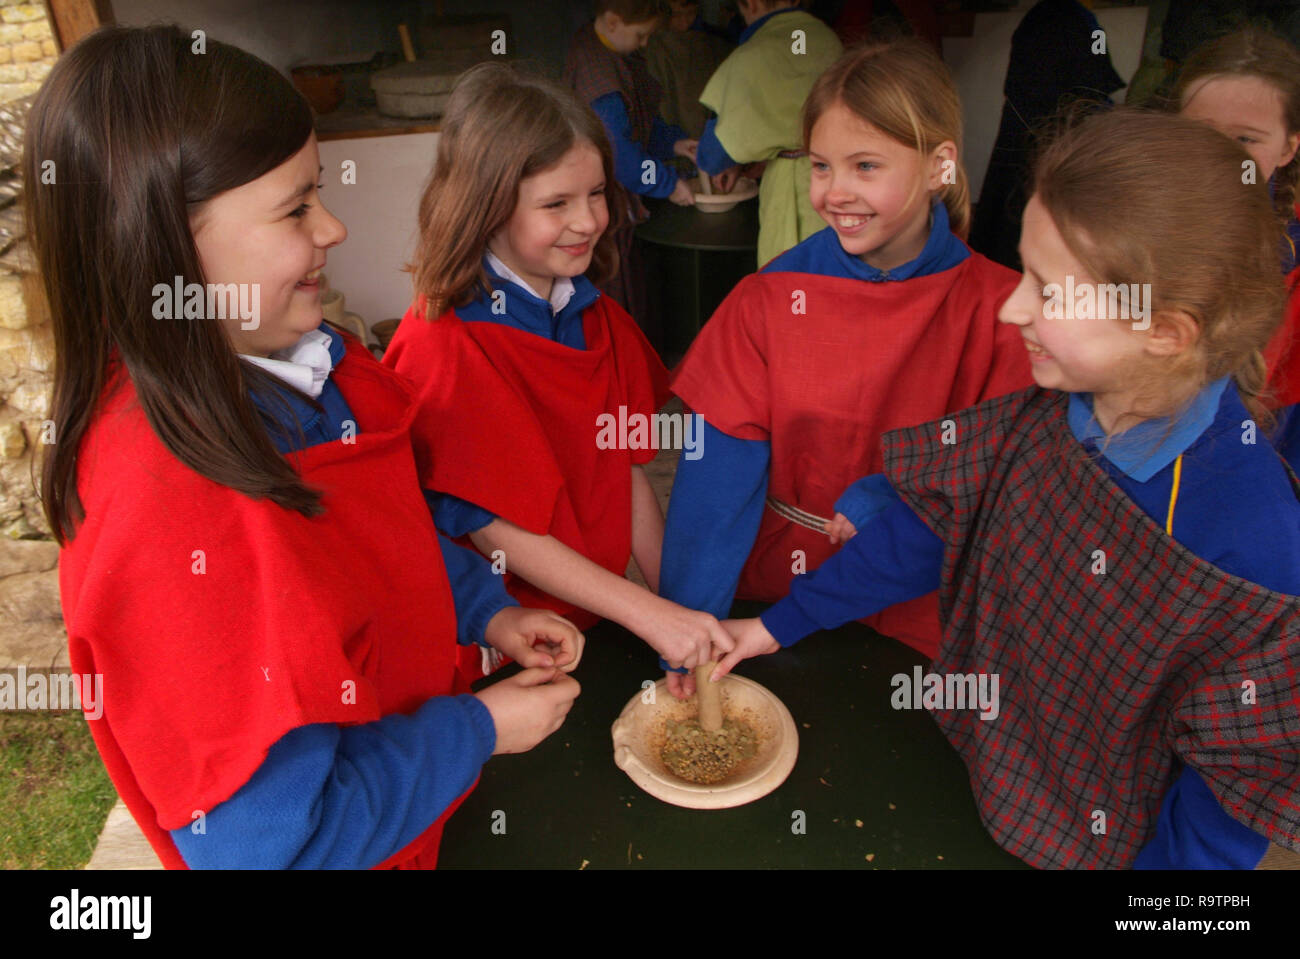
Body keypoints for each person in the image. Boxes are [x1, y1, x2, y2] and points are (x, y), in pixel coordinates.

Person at [36, 26, 582, 869]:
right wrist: (477, 729)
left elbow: (375, 539)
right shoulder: (174, 514)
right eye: (295, 208)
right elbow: (274, 849)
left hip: (419, 810)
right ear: (164, 245)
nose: (333, 228)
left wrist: (487, 608)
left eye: (319, 192)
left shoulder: (290, 362)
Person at [717, 109, 1300, 869]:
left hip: (1094, 844)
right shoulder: (1049, 410)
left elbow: (1225, 806)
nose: (1012, 307)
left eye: (1050, 294)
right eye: (1023, 272)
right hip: (976, 758)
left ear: (1166, 331)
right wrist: (772, 628)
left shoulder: (1258, 551)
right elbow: (925, 528)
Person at [659, 38, 1033, 698]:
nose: (835, 193)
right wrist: (689, 625)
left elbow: (996, 488)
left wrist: (898, 492)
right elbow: (714, 488)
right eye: (821, 166)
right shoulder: (768, 299)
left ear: (941, 165)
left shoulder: (1006, 312)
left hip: (926, 597)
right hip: (776, 588)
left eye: (865, 166)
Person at [384, 62, 734, 688]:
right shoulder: (445, 345)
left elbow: (629, 476)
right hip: (508, 636)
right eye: (556, 203)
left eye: (597, 193)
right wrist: (649, 614)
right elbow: (495, 525)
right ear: (485, 207)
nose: (588, 220)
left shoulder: (600, 321)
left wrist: (681, 613)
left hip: (595, 611)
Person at [1175, 26, 1300, 465]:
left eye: (1245, 139)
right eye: (1200, 130)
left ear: (1288, 148)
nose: (1220, 154)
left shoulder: (1291, 261)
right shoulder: (1119, 224)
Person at [566, 0, 698, 348]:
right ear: (612, 22)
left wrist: (675, 144)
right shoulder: (601, 79)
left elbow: (639, 125)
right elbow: (622, 157)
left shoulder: (604, 48)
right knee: (616, 290)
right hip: (605, 202)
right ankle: (623, 366)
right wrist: (669, 185)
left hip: (612, 197)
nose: (644, 43)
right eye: (641, 35)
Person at [695, 0, 843, 267]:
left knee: (789, 278)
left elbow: (713, 156)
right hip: (839, 175)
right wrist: (764, 154)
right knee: (835, 271)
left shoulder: (752, 56)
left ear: (750, 4)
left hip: (792, 187)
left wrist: (736, 158)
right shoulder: (827, 40)